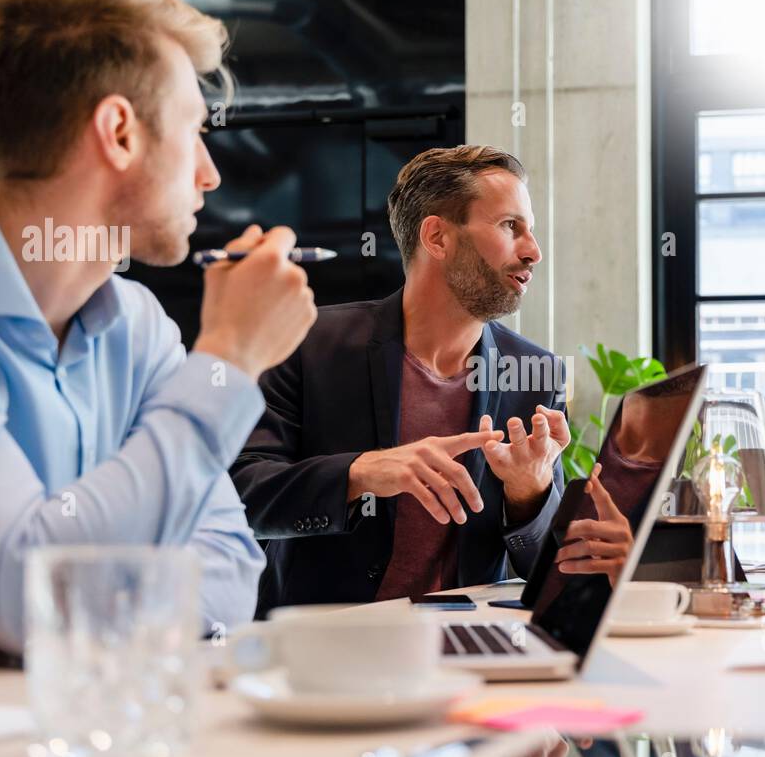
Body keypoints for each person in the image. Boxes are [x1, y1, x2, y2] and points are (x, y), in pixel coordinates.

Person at [0, 0, 317, 676]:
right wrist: (230, 358)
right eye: (194, 131)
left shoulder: (141, 330)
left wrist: (25, 644)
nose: (210, 174)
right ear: (118, 132)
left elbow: (232, 572)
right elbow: (25, 591)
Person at [232, 145, 568, 611]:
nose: (533, 251)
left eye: (529, 230)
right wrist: (360, 473)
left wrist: (529, 493)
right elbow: (240, 493)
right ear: (437, 237)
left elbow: (556, 568)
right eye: (511, 226)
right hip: (323, 651)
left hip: (464, 647)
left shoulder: (536, 375)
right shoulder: (307, 343)